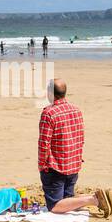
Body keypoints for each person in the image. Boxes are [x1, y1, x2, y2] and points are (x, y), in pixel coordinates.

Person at [38, 78, 85, 210]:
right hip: (73, 164)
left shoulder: (49, 113)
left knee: (54, 206)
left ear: (50, 93)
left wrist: (42, 166)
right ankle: (94, 197)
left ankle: (93, 199)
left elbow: (44, 144)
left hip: (56, 167)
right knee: (67, 201)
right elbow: (80, 138)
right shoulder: (76, 110)